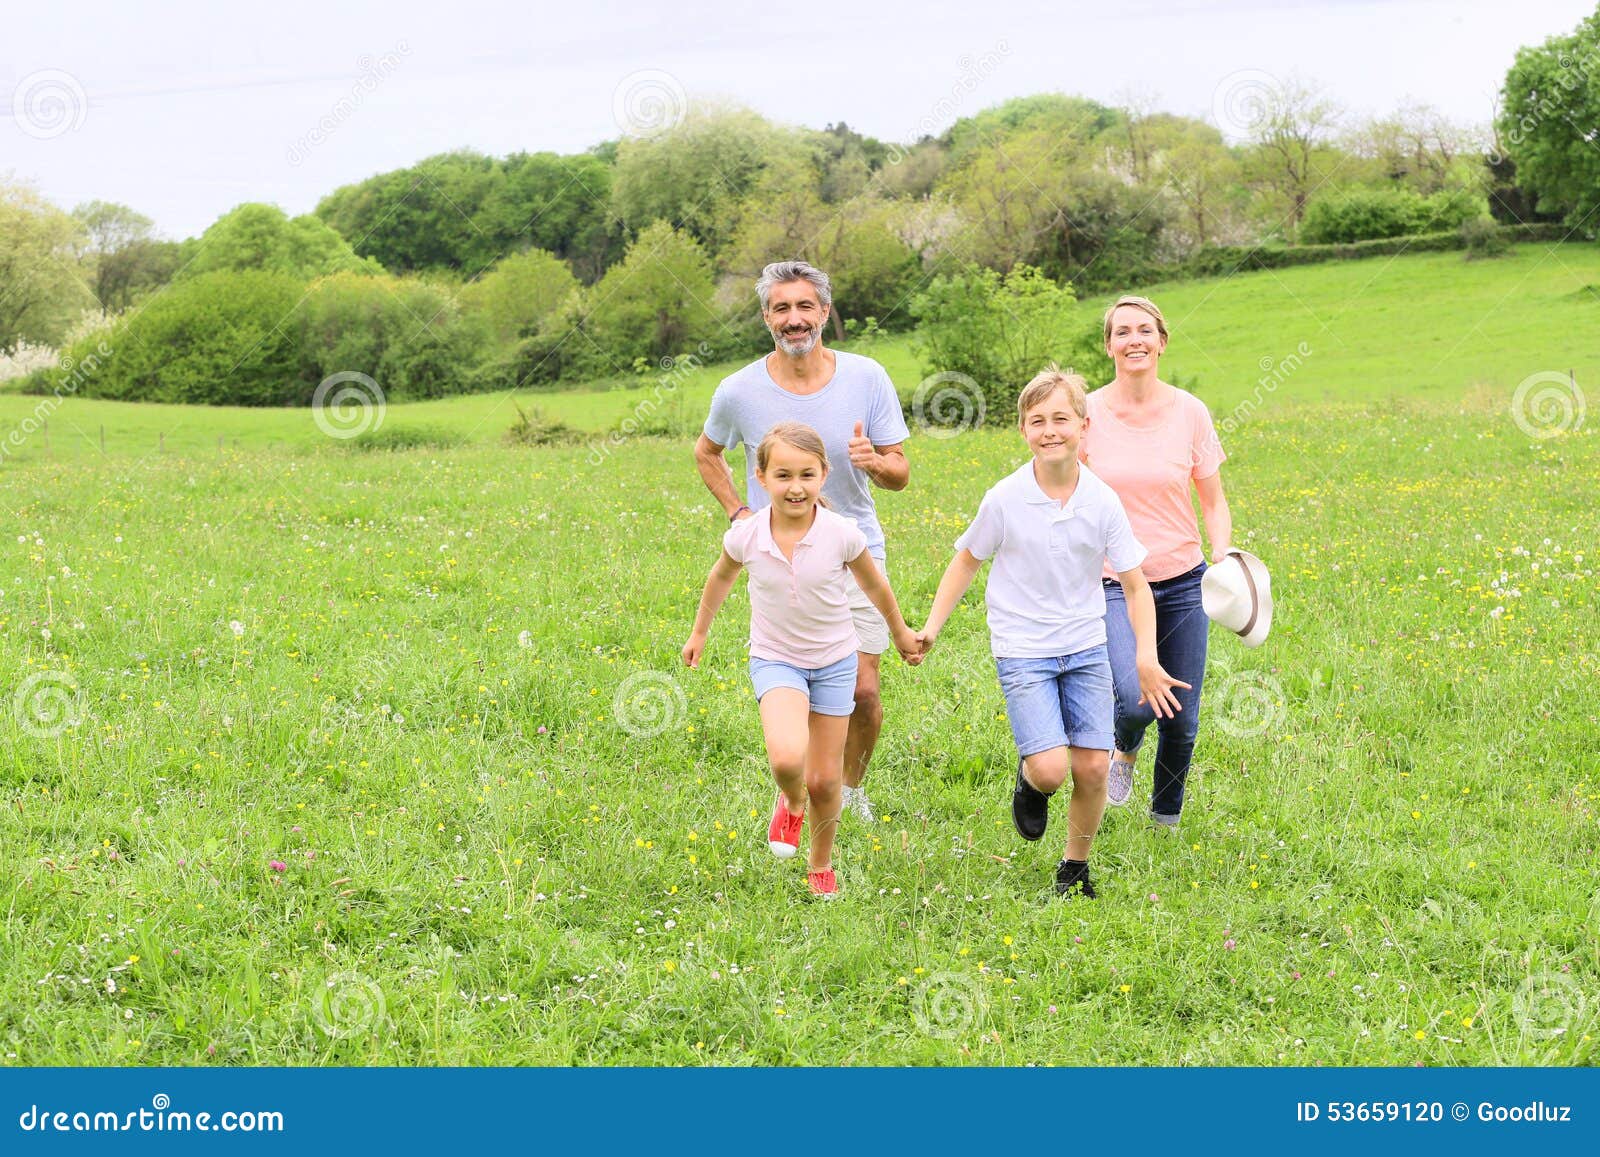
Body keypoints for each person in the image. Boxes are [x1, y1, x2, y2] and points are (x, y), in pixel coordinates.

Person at [916, 369, 1187, 899]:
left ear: (1084, 427)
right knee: (1050, 771)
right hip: (1023, 648)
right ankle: (1029, 778)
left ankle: (1073, 868)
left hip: (1086, 645)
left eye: (1061, 418)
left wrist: (1146, 658)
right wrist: (930, 627)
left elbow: (1134, 586)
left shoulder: (1103, 500)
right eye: (1037, 421)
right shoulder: (1005, 497)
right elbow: (966, 561)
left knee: (1091, 768)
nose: (1050, 430)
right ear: (1022, 430)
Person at [694, 261, 910, 826]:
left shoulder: (866, 377)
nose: (795, 319)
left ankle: (847, 786)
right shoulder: (738, 390)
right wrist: (740, 513)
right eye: (782, 308)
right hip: (780, 558)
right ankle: (800, 781)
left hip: (854, 552)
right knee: (795, 677)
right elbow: (706, 452)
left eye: (805, 306)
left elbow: (901, 472)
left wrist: (875, 463)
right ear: (767, 317)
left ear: (824, 312)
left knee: (863, 691)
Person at [683, 422, 921, 897]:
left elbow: (876, 587)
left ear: (824, 474)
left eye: (807, 476)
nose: (796, 487)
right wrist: (699, 632)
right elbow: (720, 580)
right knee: (789, 758)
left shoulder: (842, 534)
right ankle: (790, 801)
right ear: (762, 476)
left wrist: (899, 632)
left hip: (835, 662)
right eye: (784, 476)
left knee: (825, 778)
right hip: (777, 659)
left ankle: (820, 863)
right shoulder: (747, 535)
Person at [1081, 295, 1234, 829]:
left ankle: (1165, 820)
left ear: (1162, 341)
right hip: (1114, 582)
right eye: (1122, 332)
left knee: (1183, 719)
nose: (1134, 340)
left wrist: (1223, 553)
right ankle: (1125, 748)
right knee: (1135, 697)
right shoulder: (1088, 414)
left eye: (1144, 330)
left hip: (1185, 580)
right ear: (1109, 347)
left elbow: (1212, 500)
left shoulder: (1190, 411)